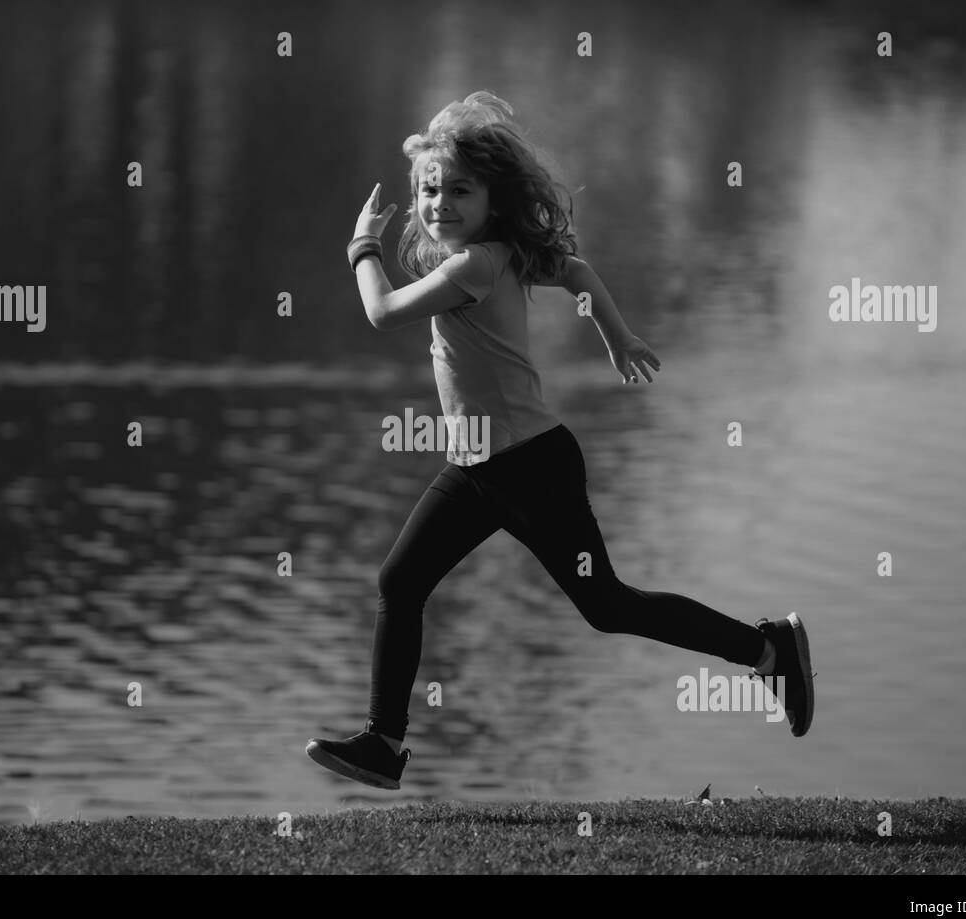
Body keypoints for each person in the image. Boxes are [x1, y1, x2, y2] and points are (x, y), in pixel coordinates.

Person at [306, 91, 813, 790]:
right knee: (401, 579)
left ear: (493, 198)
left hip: (528, 468)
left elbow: (383, 311)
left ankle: (769, 649)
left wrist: (362, 244)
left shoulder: (474, 267)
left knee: (608, 605)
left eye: (460, 189)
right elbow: (575, 272)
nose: (439, 203)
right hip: (479, 467)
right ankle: (383, 743)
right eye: (429, 189)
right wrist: (616, 333)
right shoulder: (501, 257)